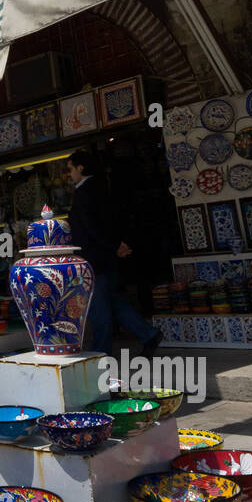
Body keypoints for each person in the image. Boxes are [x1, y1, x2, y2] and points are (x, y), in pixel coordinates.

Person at [65, 150, 161, 359]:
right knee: (112, 303)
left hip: (95, 260)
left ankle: (101, 354)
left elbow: (93, 227)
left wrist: (114, 245)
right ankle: (148, 334)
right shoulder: (96, 188)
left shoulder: (86, 191)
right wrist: (115, 245)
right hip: (102, 258)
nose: (69, 174)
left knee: (98, 309)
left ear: (81, 167)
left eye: (71, 168)